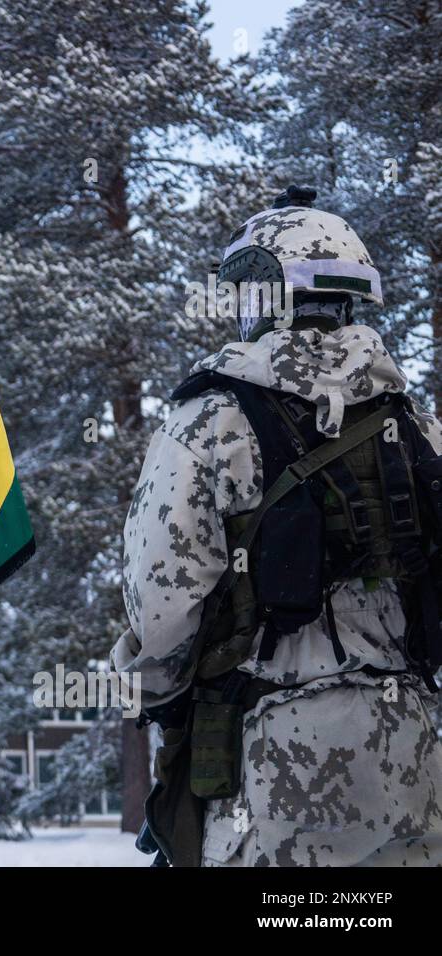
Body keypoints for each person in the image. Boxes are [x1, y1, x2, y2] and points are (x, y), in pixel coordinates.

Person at [115, 185, 442, 867]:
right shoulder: (420, 431)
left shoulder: (207, 425)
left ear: (266, 298)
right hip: (416, 762)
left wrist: (154, 699)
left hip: (272, 765)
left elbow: (163, 612)